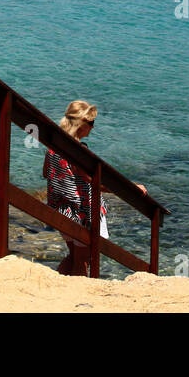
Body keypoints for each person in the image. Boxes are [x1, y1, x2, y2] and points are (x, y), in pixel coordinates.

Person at [43, 100, 146, 276]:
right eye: (91, 123)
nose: (93, 127)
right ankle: (76, 295)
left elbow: (46, 172)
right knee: (84, 260)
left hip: (61, 210)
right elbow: (95, 181)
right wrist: (130, 189)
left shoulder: (54, 146)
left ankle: (53, 285)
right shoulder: (78, 150)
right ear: (81, 124)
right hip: (82, 213)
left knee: (75, 256)